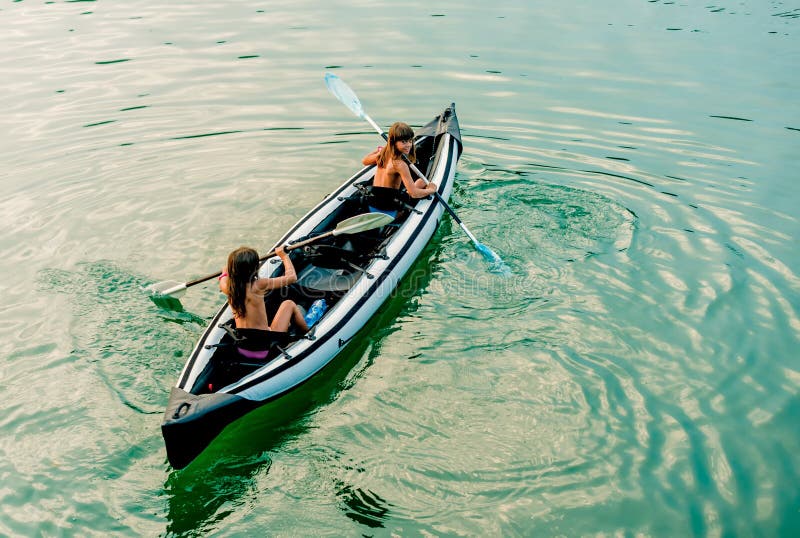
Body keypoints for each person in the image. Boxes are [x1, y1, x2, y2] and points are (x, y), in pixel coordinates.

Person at [218, 246, 308, 359]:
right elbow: (292, 277)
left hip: (242, 347)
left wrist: (226, 271)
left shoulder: (227, 287)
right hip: (264, 348)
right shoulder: (260, 285)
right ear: (255, 268)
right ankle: (308, 332)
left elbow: (224, 275)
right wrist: (284, 256)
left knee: (265, 328)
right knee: (288, 304)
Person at [361, 122, 438, 217]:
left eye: (410, 141)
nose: (409, 145)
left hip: (372, 204)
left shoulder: (381, 155)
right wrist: (431, 190)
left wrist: (378, 151)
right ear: (393, 142)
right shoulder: (400, 164)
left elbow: (364, 161)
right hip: (389, 211)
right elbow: (414, 194)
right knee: (421, 182)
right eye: (404, 142)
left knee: (419, 182)